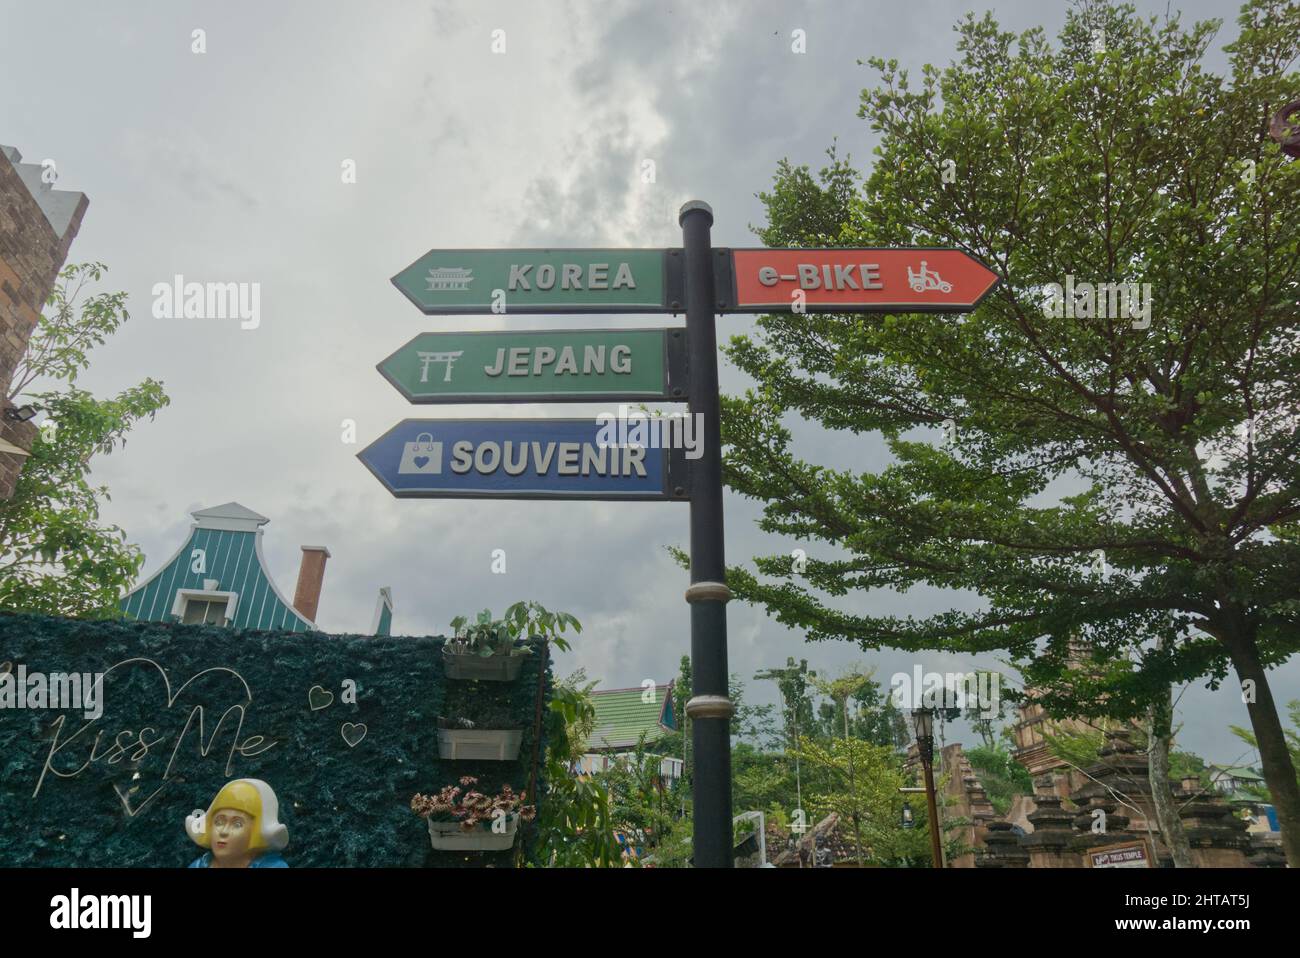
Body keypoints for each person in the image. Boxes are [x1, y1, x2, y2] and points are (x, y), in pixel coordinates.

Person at [186, 779, 290, 868]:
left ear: (255, 831)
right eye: (218, 822)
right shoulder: (199, 865)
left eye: (237, 824)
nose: (223, 831)